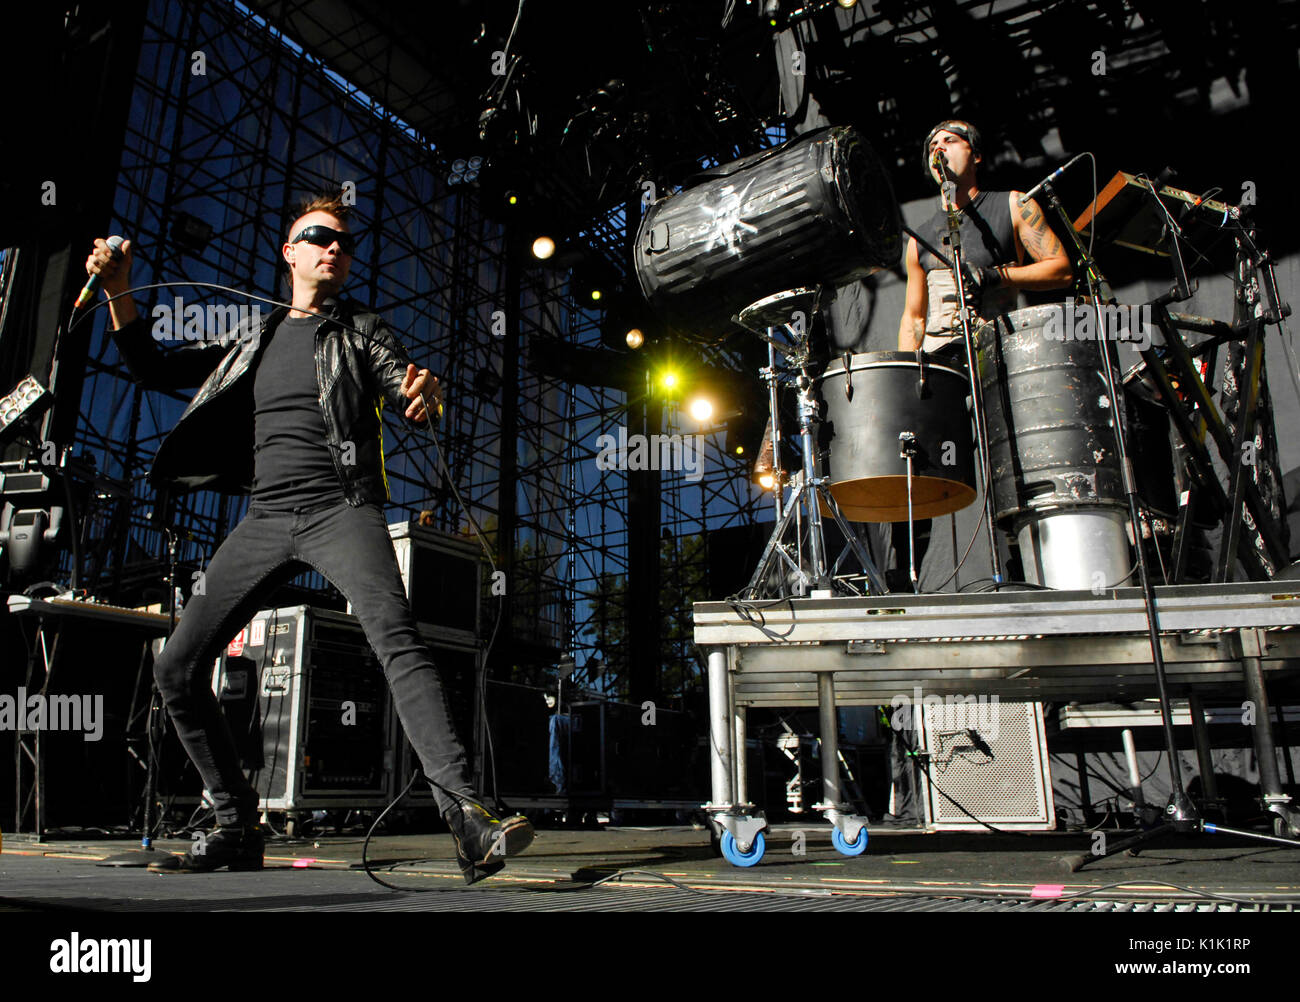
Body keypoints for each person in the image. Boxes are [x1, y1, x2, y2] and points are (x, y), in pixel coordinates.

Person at [83, 192, 533, 883]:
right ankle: (236, 823)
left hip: (341, 508)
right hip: (264, 518)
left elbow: (401, 383)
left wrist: (420, 395)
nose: (334, 247)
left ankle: (467, 818)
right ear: (288, 251)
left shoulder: (362, 329)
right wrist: (118, 291)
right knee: (175, 666)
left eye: (345, 244)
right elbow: (151, 366)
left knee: (397, 639)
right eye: (318, 236)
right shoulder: (250, 340)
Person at [891, 120, 1073, 590]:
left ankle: (1011, 572)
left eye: (949, 141)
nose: (939, 149)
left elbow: (1061, 269)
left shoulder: (1012, 204)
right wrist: (905, 374)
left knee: (1001, 463)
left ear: (975, 154)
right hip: (938, 362)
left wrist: (1000, 278)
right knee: (925, 466)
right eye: (931, 144)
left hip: (993, 352)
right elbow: (913, 316)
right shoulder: (920, 235)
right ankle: (921, 583)